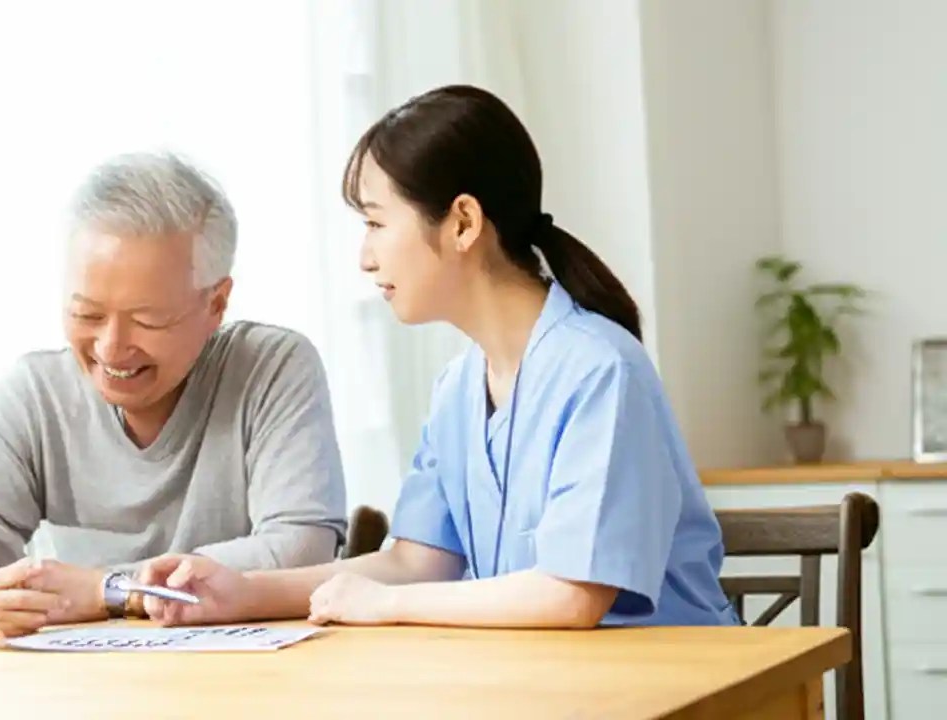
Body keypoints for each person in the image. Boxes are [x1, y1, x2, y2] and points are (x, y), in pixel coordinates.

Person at [137, 86, 739, 630]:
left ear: (463, 222)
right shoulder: (458, 390)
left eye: (376, 223)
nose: (365, 258)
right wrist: (239, 594)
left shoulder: (599, 370)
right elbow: (415, 562)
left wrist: (388, 608)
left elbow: (571, 596)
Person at [0, 152, 347, 637]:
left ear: (216, 304)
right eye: (88, 315)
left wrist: (105, 591)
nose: (111, 347)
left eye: (148, 320)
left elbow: (302, 549)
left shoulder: (269, 368)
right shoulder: (36, 395)